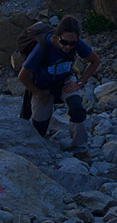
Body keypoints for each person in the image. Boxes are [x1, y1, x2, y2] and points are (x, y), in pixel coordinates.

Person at [17, 15, 101, 160]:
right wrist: (37, 93)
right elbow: (22, 76)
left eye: (72, 43)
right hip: (42, 86)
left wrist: (80, 82)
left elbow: (95, 61)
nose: (68, 47)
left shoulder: (76, 44)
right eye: (64, 42)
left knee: (77, 109)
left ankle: (79, 148)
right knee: (40, 127)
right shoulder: (43, 47)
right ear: (57, 36)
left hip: (65, 82)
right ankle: (40, 147)